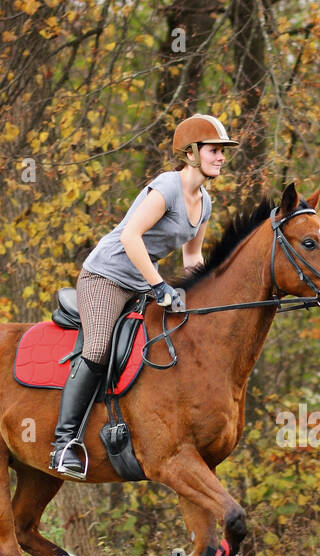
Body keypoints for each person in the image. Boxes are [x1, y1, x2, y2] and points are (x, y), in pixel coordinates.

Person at [49, 113, 238, 478]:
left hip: (140, 283)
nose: (221, 157)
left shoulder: (204, 202)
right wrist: (159, 286)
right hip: (104, 276)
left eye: (222, 152)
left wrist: (200, 299)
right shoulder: (167, 187)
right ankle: (64, 443)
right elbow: (130, 237)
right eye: (214, 150)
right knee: (99, 346)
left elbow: (192, 258)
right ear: (191, 154)